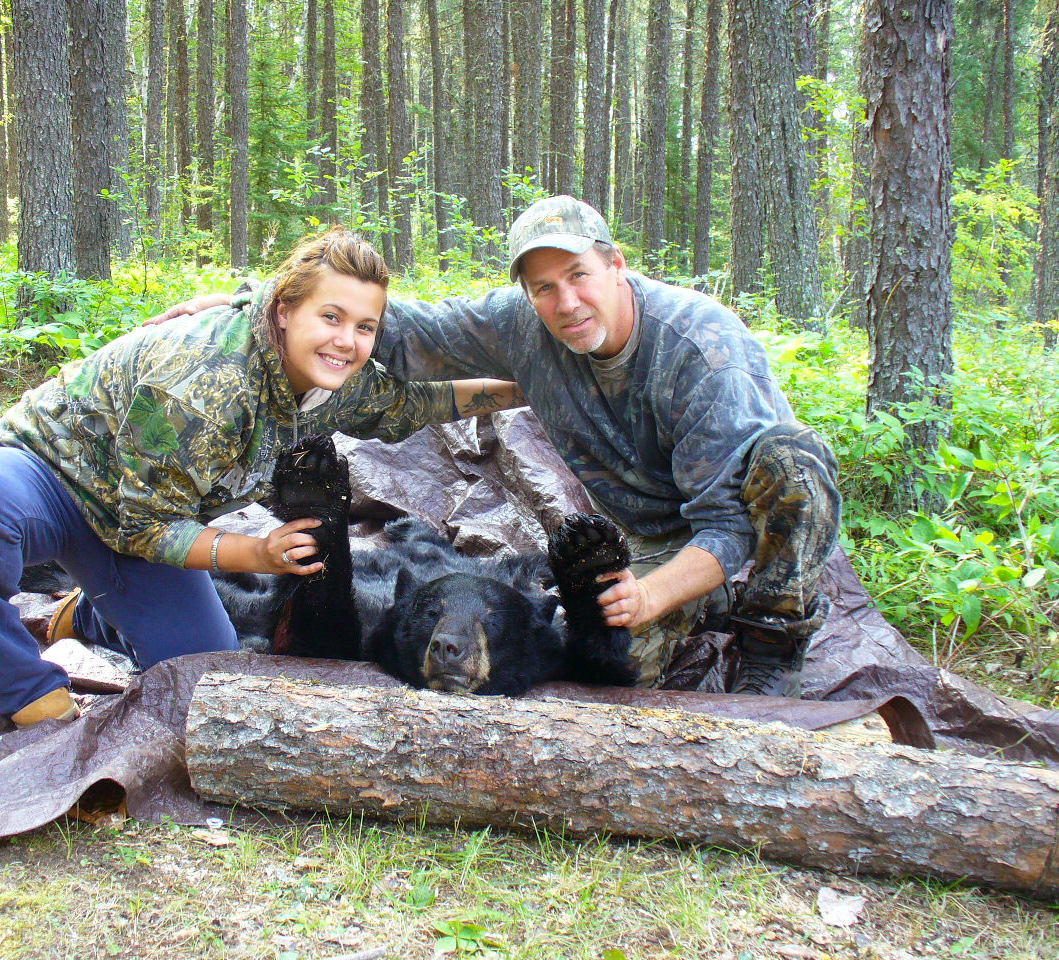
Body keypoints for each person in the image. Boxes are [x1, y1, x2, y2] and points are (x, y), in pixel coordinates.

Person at [152, 197, 841, 698]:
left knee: (791, 458)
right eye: (543, 287)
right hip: (639, 543)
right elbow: (400, 330)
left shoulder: (699, 346)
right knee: (606, 671)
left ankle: (773, 640)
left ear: (616, 264)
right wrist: (248, 300)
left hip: (732, 533)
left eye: (578, 275)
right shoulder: (524, 325)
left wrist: (654, 594)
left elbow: (725, 526)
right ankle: (710, 608)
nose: (565, 301)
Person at [0, 228, 524, 726]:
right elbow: (142, 526)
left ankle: (86, 615)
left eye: (365, 327)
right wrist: (257, 554)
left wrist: (529, 388)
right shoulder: (205, 384)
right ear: (283, 311)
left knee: (209, 679)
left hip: (142, 522)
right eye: (331, 317)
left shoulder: (328, 373)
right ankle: (20, 681)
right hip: (51, 480)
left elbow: (407, 407)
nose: (347, 340)